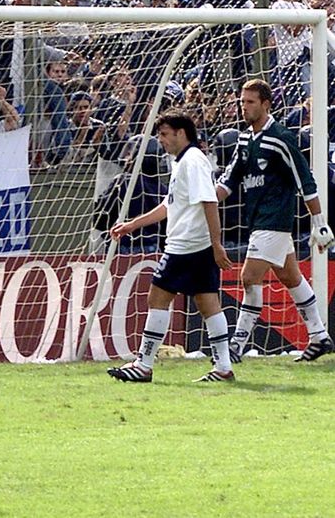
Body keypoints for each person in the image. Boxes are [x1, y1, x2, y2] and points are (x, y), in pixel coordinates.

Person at [107, 109, 235, 383]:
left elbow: (209, 201)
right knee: (207, 303)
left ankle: (144, 364)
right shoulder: (182, 162)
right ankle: (223, 367)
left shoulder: (193, 161)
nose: (161, 140)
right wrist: (132, 224)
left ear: (181, 133)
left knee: (158, 298)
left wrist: (217, 244)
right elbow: (170, 204)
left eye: (164, 134)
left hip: (186, 245)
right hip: (192, 244)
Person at [216, 79, 335, 362]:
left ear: (266, 104)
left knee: (248, 278)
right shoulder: (245, 139)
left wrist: (319, 222)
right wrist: (202, 200)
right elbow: (229, 180)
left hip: (274, 220)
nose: (244, 107)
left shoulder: (280, 138)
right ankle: (320, 337)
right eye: (242, 102)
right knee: (290, 277)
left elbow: (304, 179)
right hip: (257, 221)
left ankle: (235, 347)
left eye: (250, 102)